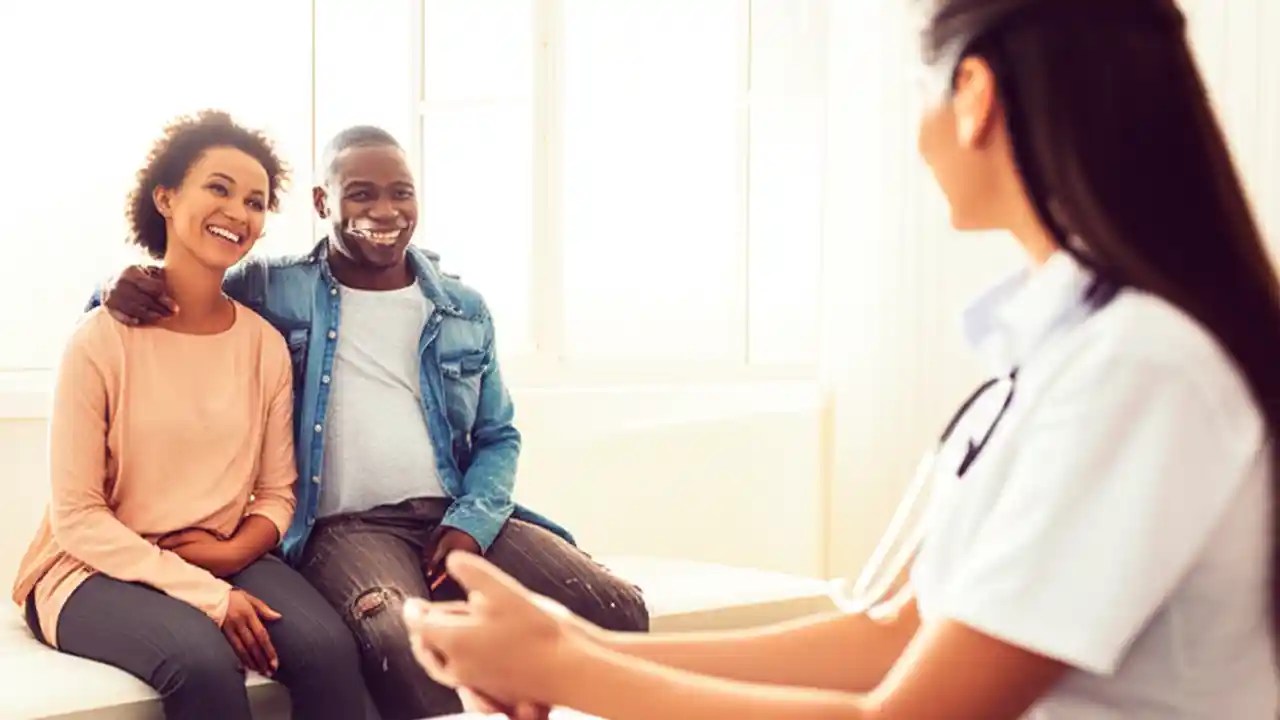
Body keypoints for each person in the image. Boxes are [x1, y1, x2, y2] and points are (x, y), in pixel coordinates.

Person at [402, 0, 1280, 717]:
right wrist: (573, 645)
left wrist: (567, 675)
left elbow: (904, 715)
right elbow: (891, 637)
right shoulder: (1071, 352)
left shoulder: (1139, 369)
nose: (918, 129)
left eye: (918, 91)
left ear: (973, 95)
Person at [97, 125, 649, 718]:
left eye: (401, 193)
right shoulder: (275, 288)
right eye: (360, 193)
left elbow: (497, 436)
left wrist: (470, 524)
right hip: (345, 529)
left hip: (454, 514)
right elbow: (175, 292)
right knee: (403, 639)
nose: (384, 210)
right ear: (321, 202)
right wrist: (113, 285)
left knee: (617, 609)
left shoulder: (461, 307)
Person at [11, 111, 378, 719]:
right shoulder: (100, 339)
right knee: (204, 664)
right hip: (89, 568)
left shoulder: (262, 344)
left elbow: (275, 491)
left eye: (255, 201)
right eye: (218, 188)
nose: (238, 211)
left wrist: (232, 556)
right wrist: (209, 593)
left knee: (330, 650)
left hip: (218, 551)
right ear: (166, 196)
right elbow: (77, 518)